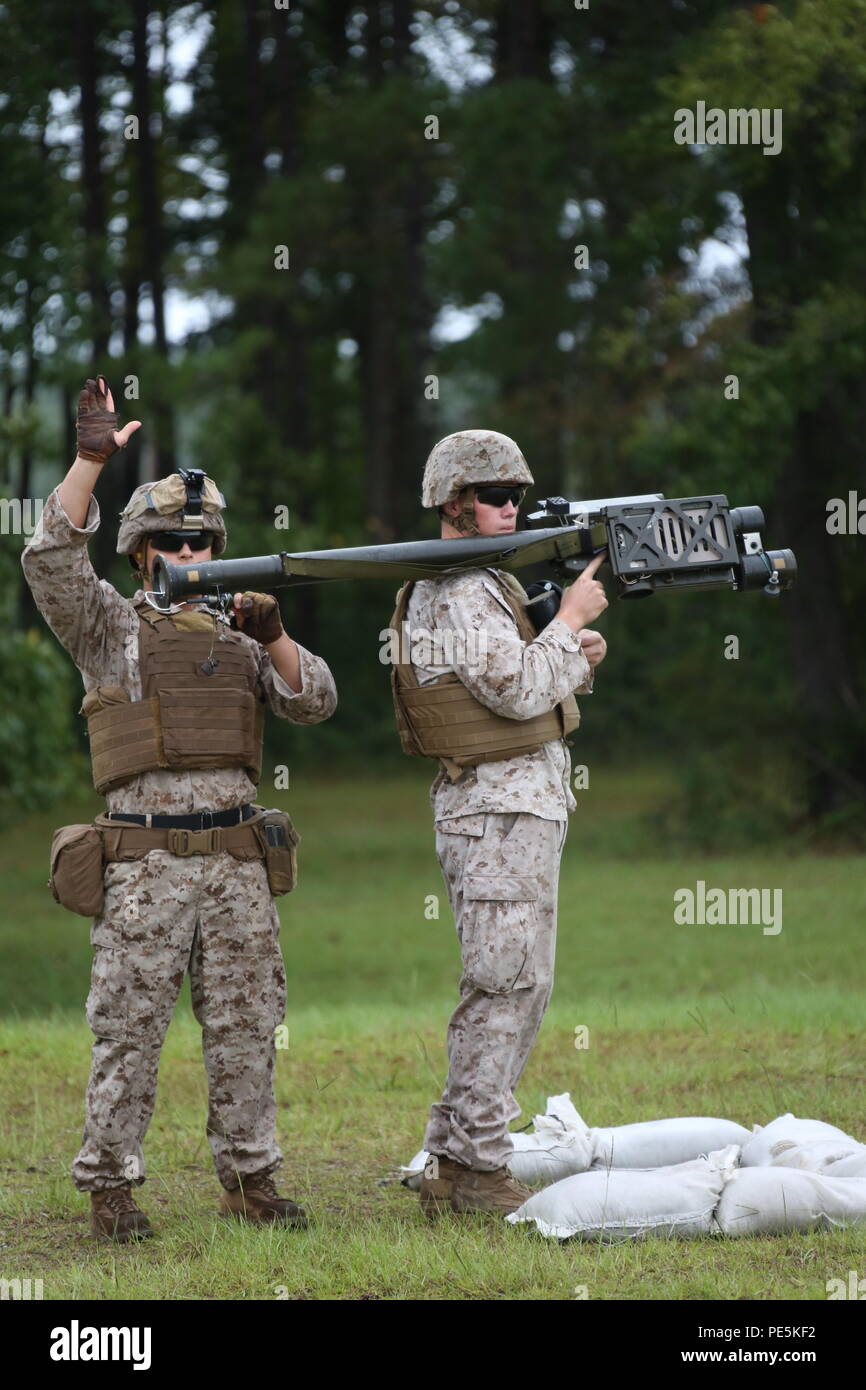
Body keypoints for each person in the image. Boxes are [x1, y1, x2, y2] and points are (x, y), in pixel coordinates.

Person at [21, 376, 337, 1241]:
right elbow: (48, 562)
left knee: (247, 1031)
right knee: (129, 1033)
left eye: (203, 543)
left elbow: (317, 702)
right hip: (147, 868)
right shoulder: (109, 630)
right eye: (172, 545)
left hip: (237, 866)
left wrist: (273, 634)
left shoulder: (243, 635)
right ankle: (111, 1190)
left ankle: (250, 1178)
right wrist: (89, 465)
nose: (191, 557)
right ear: (140, 556)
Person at [388, 429, 608, 1216]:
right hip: (495, 812)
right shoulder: (459, 590)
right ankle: (477, 1167)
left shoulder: (477, 582)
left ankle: (455, 1157)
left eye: (517, 494)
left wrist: (571, 647)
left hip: (513, 808)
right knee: (504, 984)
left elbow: (523, 681)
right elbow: (514, 690)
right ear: (454, 503)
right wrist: (571, 620)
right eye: (496, 496)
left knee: (520, 983)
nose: (513, 508)